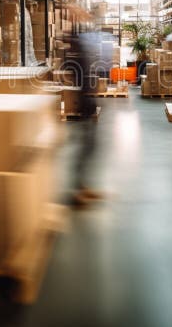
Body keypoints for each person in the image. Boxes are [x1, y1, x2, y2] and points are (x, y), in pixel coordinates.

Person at [66, 26, 105, 208]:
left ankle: (82, 186)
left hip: (87, 105)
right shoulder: (75, 58)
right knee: (86, 149)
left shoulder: (79, 57)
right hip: (84, 106)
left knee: (90, 147)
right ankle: (77, 190)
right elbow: (80, 83)